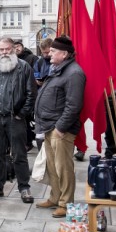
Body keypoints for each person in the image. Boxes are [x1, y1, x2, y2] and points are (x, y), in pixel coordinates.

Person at [33, 36, 85, 218]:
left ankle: (66, 202)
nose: (49, 54)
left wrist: (61, 128)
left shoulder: (74, 73)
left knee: (63, 167)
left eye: (53, 51)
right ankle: (55, 197)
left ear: (64, 54)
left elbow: (73, 105)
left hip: (60, 129)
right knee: (53, 167)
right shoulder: (57, 69)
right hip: (49, 126)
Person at [0, 37, 36, 204]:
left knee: (19, 154)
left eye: (8, 49)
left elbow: (31, 93)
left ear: (14, 49)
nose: (4, 52)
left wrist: (22, 113)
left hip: (15, 118)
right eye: (1, 49)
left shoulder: (23, 67)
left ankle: (24, 188)